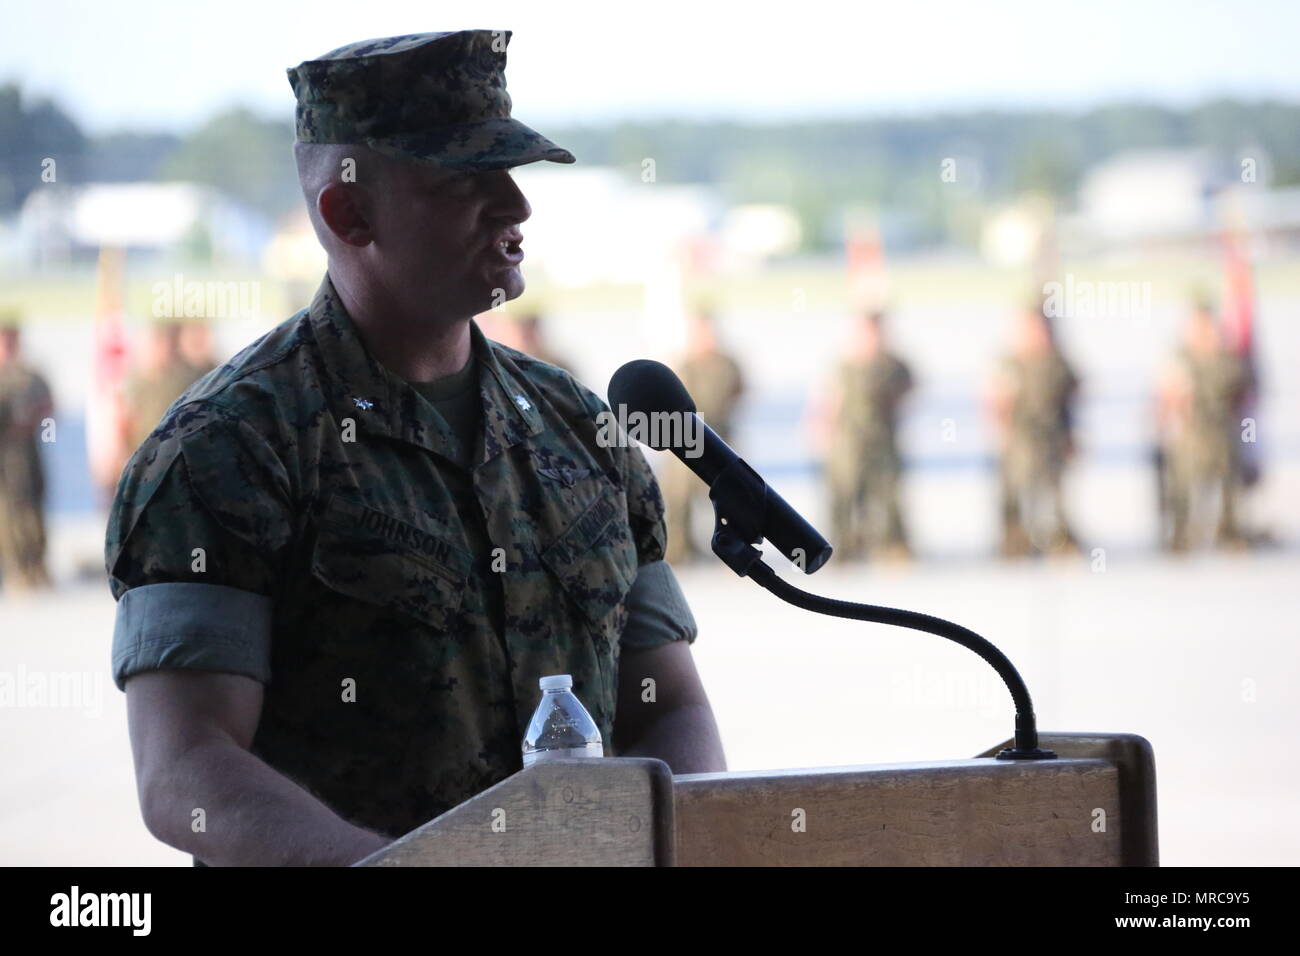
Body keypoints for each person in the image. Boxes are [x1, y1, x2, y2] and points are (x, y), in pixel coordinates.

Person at [104, 30, 725, 867]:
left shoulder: (582, 432)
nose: (516, 206)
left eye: (511, 172)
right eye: (465, 181)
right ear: (349, 212)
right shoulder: (229, 449)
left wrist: (678, 848)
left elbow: (666, 706)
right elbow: (187, 771)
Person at [1156, 300, 1253, 551]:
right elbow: (1166, 396)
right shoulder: (1178, 358)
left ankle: (1229, 532)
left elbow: (1244, 390)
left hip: (1222, 434)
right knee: (1181, 484)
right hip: (1189, 436)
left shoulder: (1229, 358)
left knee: (1229, 481)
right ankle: (1181, 534)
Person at [988, 299, 1080, 557]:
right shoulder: (1008, 362)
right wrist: (999, 428)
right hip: (1019, 440)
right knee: (1016, 492)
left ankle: (1061, 541)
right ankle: (1015, 543)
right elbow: (995, 402)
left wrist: (1071, 436)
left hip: (1053, 438)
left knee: (1054, 495)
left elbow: (1071, 398)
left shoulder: (1058, 363)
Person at [819, 310, 913, 562]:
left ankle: (894, 545)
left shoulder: (894, 366)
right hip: (848, 440)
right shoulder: (845, 366)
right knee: (845, 492)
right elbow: (830, 399)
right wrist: (822, 429)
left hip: (883, 439)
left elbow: (908, 393)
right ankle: (844, 546)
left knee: (888, 492)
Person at [661, 309, 745, 564]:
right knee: (677, 492)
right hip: (686, 438)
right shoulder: (684, 364)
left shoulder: (728, 363)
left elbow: (739, 391)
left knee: (733, 495)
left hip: (720, 436)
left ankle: (735, 548)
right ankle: (679, 548)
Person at [0, 314, 55, 592]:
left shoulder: (32, 377)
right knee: (8, 513)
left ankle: (38, 566)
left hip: (29, 451)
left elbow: (50, 416)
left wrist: (39, 427)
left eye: (11, 339)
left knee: (34, 508)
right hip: (4, 455)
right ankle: (16, 569)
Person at [121, 319, 211, 454]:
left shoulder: (184, 379)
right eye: (155, 343)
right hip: (144, 453)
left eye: (163, 342)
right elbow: (127, 423)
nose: (159, 348)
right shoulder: (137, 382)